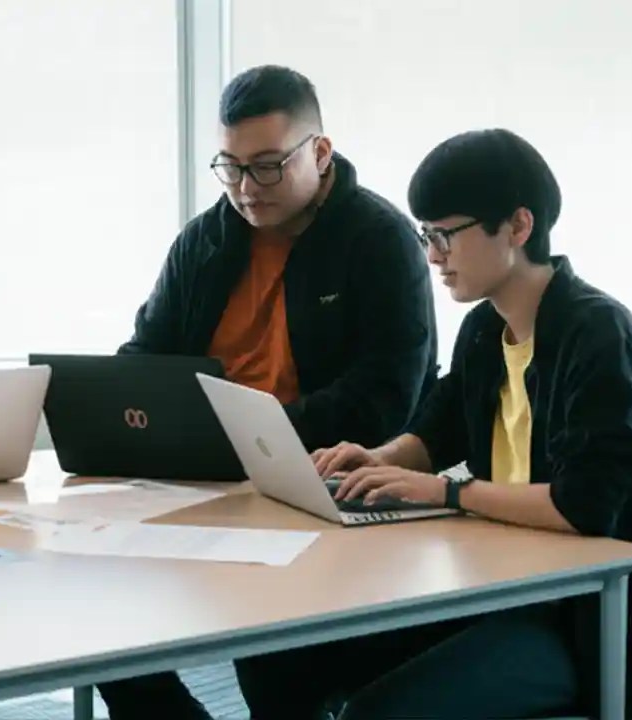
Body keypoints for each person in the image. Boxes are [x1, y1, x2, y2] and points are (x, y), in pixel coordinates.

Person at [232, 129, 632, 719]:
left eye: (445, 235)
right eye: (425, 235)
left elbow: (586, 506)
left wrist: (449, 493)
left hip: (585, 616)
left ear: (517, 227)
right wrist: (377, 459)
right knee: (274, 657)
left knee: (379, 713)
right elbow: (436, 433)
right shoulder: (486, 328)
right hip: (497, 584)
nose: (432, 256)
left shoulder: (598, 334)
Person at [103, 64, 438, 720]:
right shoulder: (206, 239)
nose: (245, 188)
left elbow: (383, 400)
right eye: (229, 167)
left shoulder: (379, 240)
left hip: (322, 485)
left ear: (319, 152)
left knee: (276, 656)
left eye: (266, 166)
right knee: (103, 617)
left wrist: (255, 437)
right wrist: (126, 404)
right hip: (211, 477)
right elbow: (148, 350)